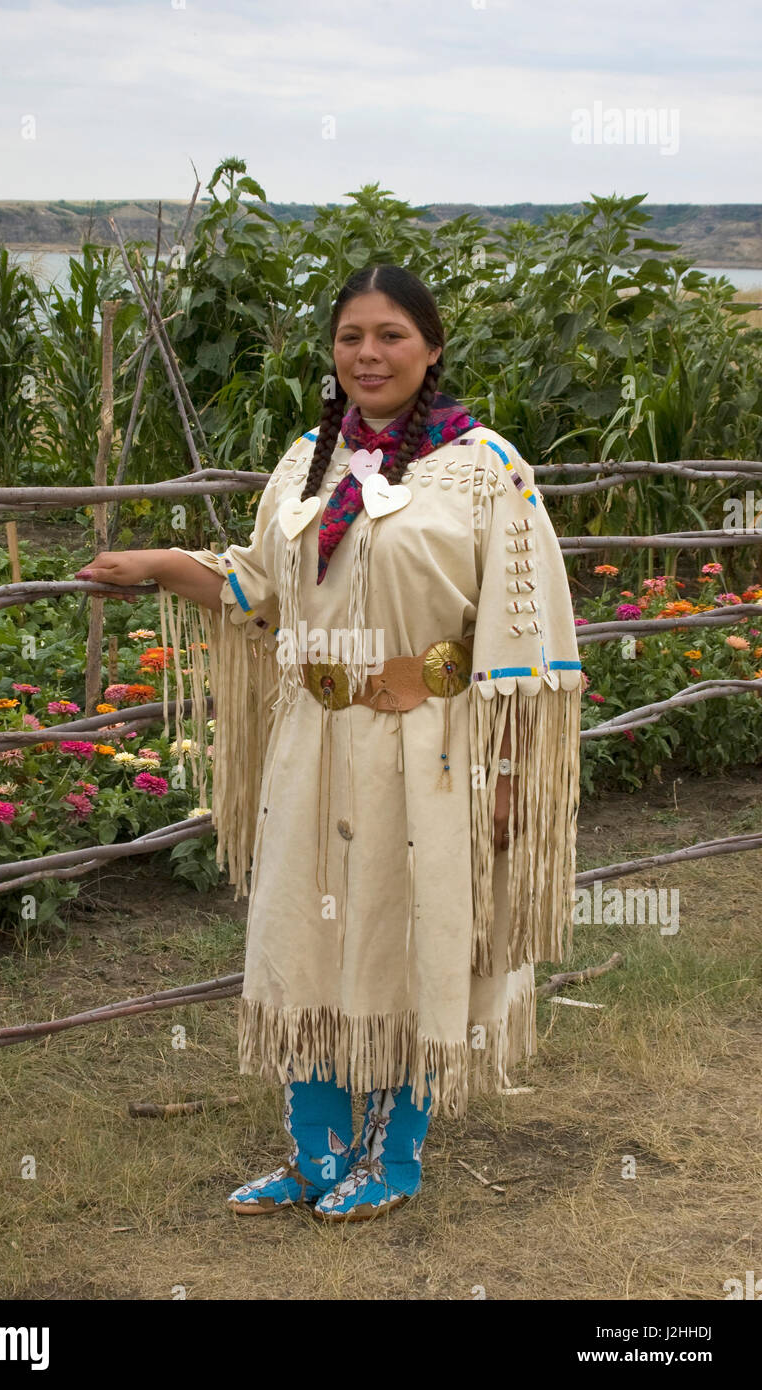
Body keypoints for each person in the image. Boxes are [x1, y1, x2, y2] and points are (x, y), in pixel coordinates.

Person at [77, 264, 582, 1223]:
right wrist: (157, 565)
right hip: (314, 744)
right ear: (334, 351)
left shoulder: (485, 469)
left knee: (412, 930)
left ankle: (394, 1153)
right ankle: (315, 1155)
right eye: (352, 336)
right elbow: (262, 587)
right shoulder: (311, 459)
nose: (369, 354)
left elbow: (530, 636)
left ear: (430, 349)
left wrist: (511, 777)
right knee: (304, 937)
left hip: (430, 744)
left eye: (391, 335)